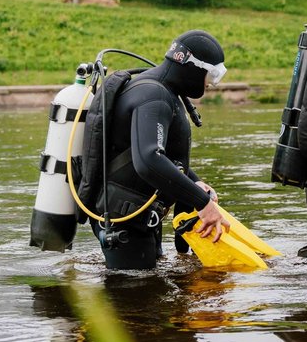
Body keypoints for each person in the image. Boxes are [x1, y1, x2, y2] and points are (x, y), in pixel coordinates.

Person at [88, 30, 231, 269]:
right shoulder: (154, 97)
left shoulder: (160, 90)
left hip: (138, 214)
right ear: (192, 66)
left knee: (151, 294)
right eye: (211, 74)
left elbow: (161, 156)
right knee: (133, 297)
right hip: (125, 219)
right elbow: (148, 159)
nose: (210, 82)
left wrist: (193, 181)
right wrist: (202, 204)